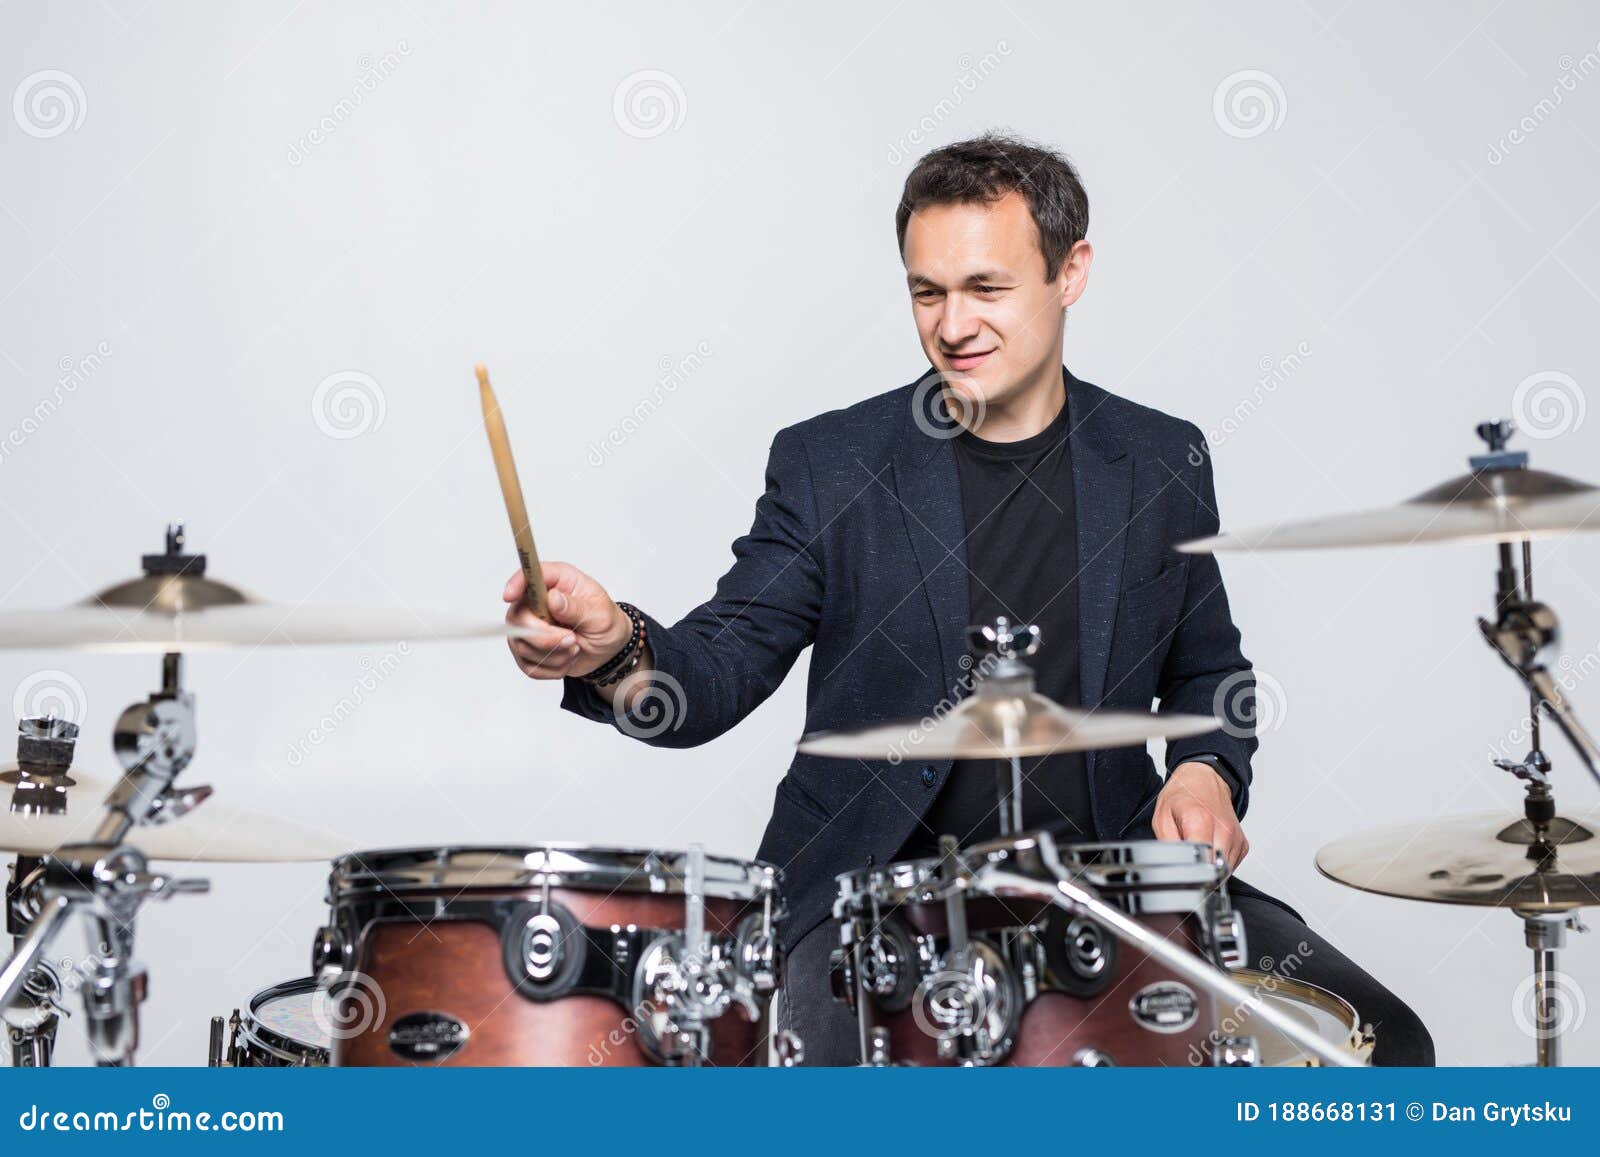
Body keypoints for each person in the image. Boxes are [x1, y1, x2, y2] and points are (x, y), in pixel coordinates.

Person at [502, 133, 1434, 1066]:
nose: (953, 325)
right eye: (927, 291)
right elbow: (720, 666)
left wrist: (1206, 771)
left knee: (1383, 1044)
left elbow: (1209, 670)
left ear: (1071, 273)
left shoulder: (1158, 461)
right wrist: (616, 649)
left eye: (987, 288)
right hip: (870, 907)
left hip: (1110, 892)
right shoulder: (833, 466)